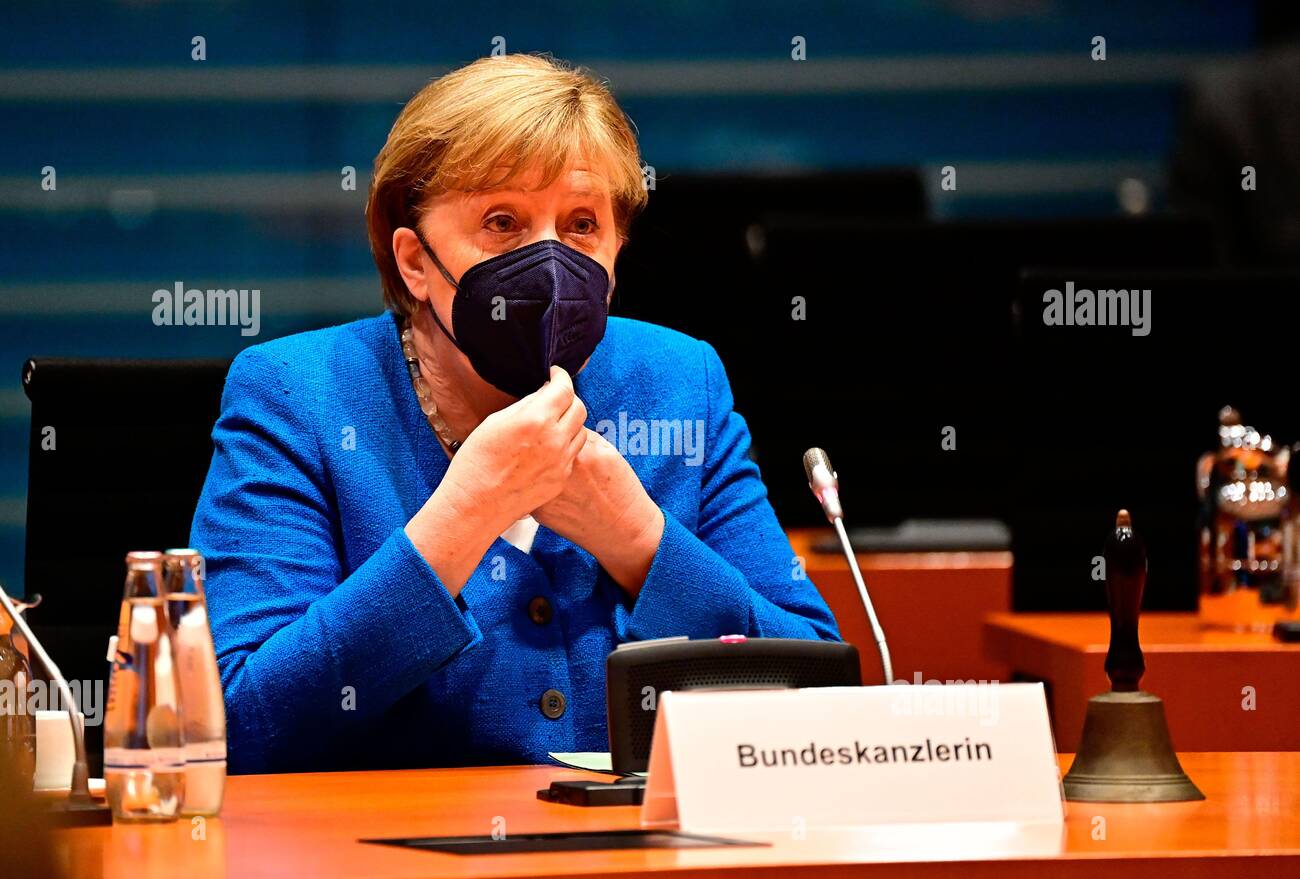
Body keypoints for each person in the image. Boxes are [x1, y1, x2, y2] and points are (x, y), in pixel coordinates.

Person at [191, 53, 840, 774]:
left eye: (582, 224)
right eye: (502, 222)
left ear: (619, 247)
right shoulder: (299, 394)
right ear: (414, 261)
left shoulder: (682, 384)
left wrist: (638, 541)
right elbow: (237, 723)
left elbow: (818, 696)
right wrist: (464, 514)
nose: (550, 262)